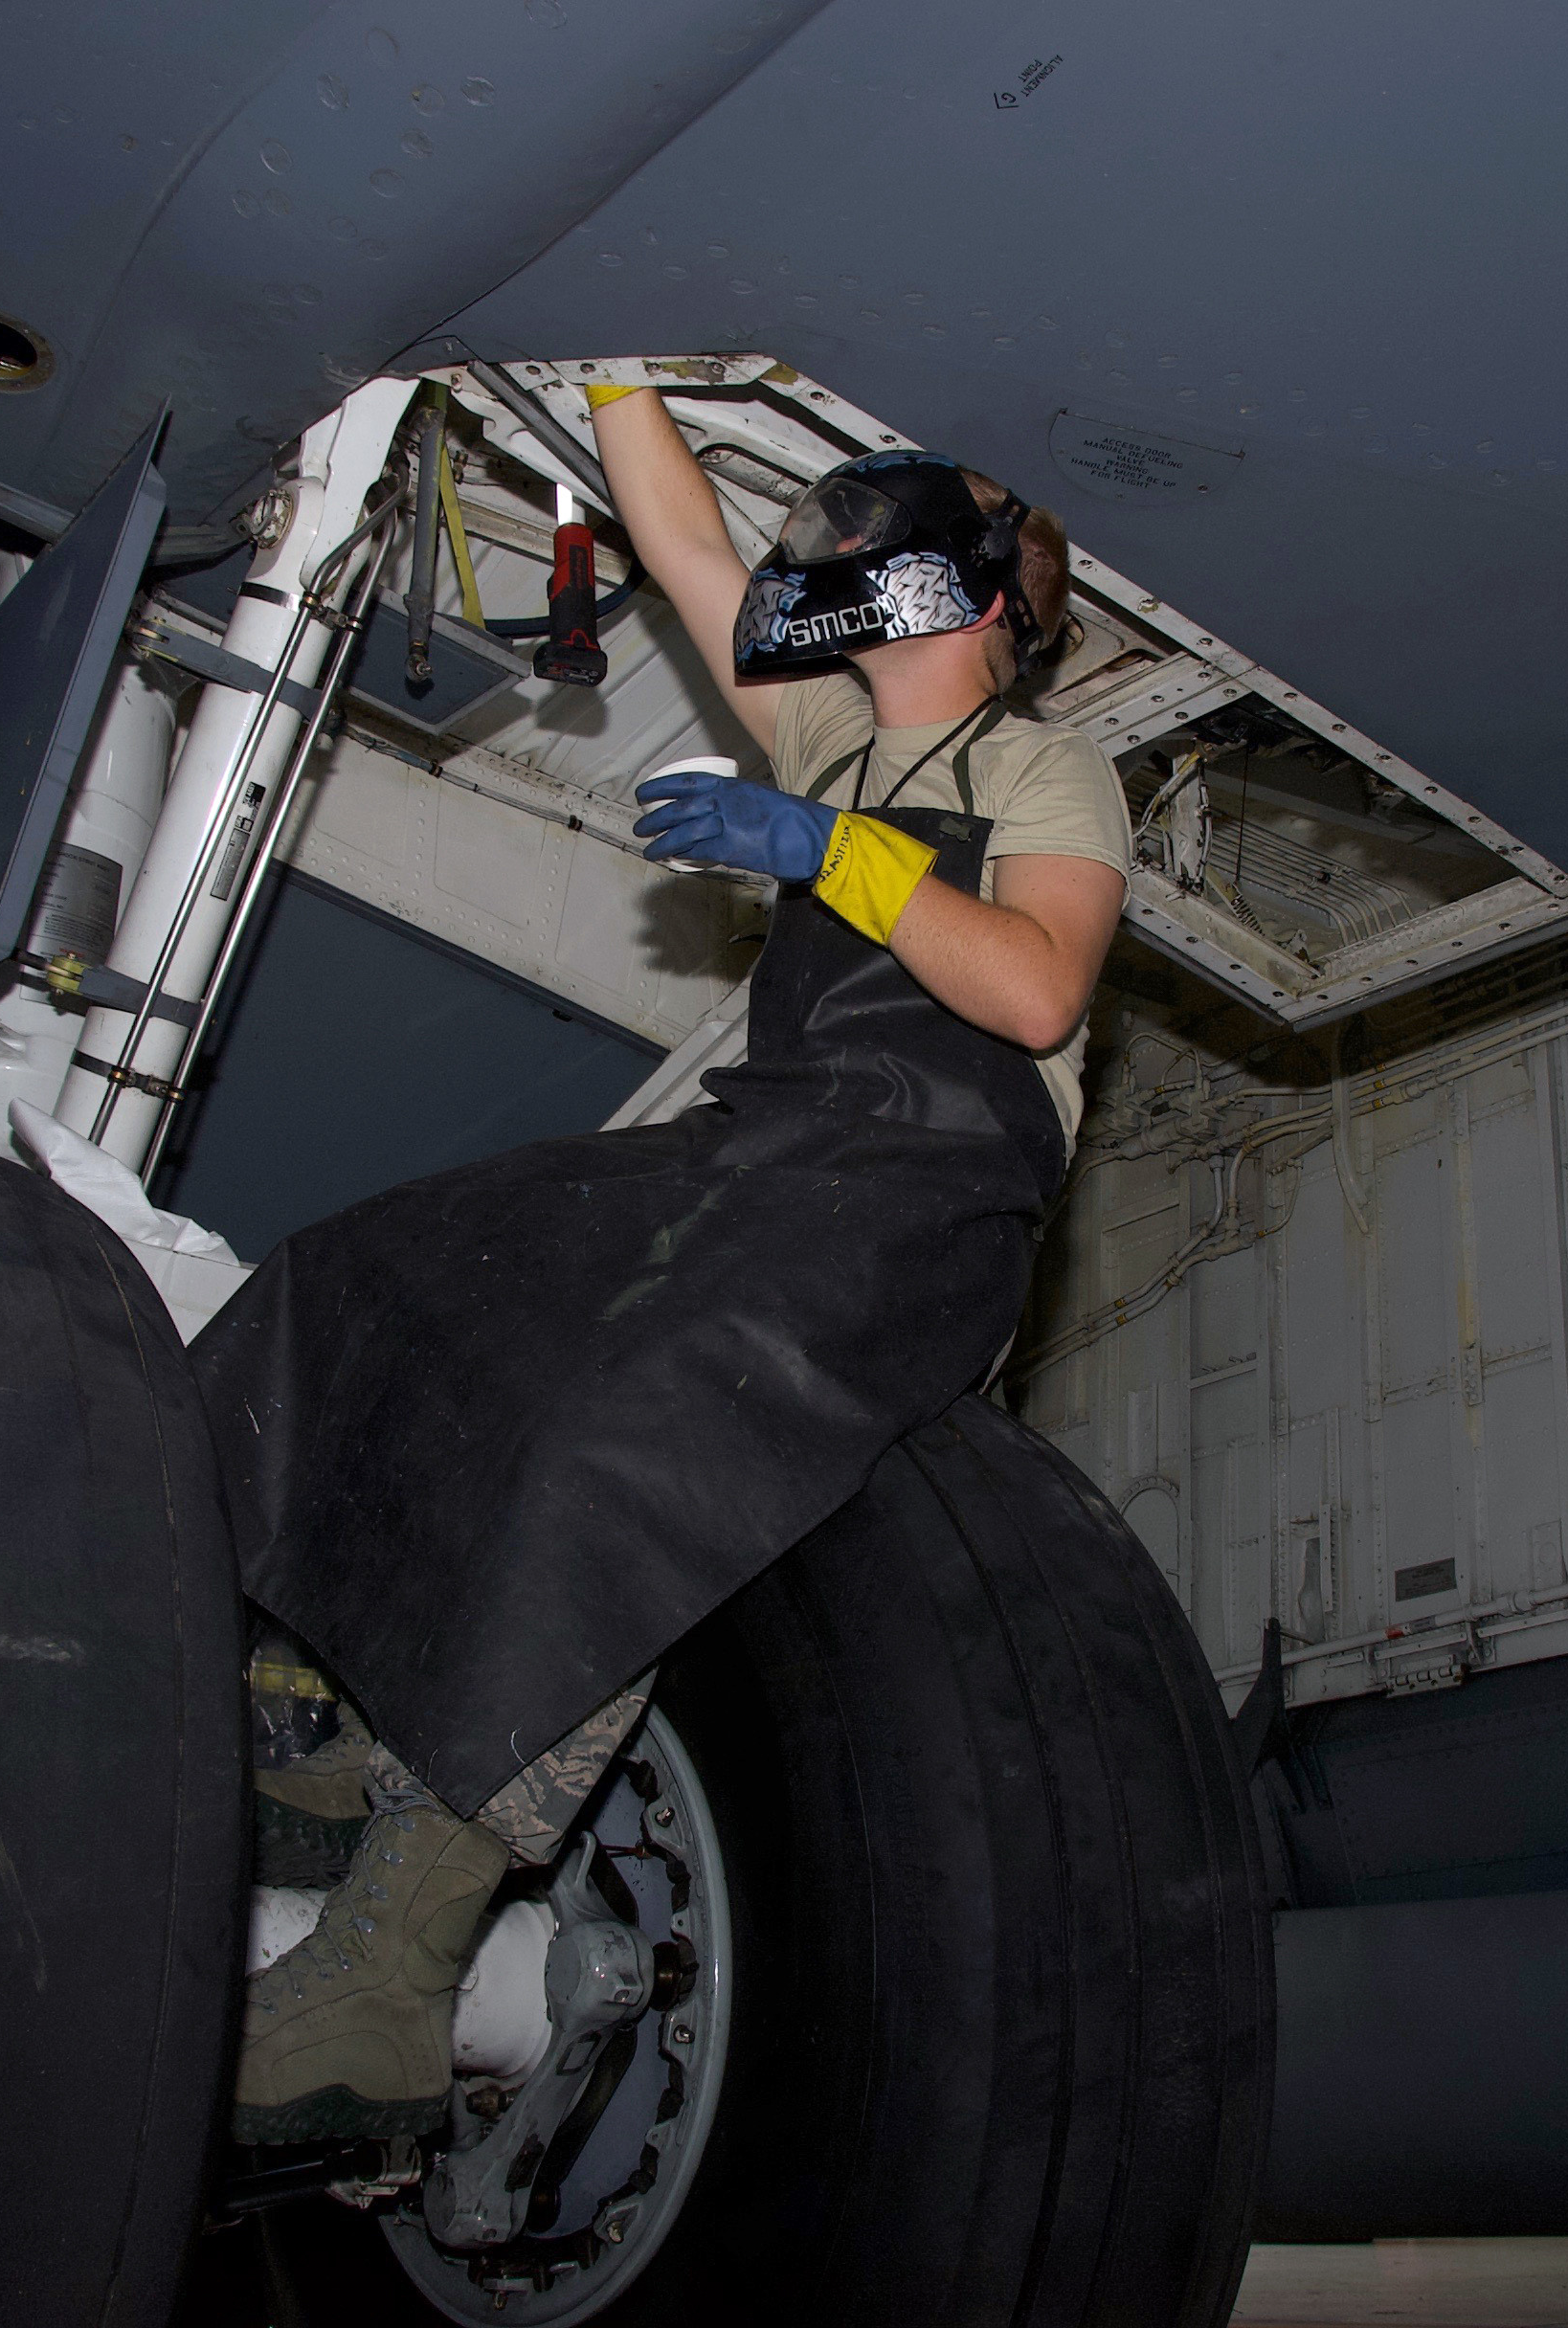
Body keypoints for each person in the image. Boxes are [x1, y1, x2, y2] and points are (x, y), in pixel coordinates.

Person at [194, 383, 1130, 2143]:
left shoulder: (1038, 768)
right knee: (402, 1268)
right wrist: (613, 380)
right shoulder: (827, 740)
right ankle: (328, 1678)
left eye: (879, 526)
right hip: (769, 1153)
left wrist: (826, 852)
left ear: (979, 589)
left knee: (625, 1435)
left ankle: (388, 1975)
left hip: (915, 1203)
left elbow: (1033, 991)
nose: (833, 547)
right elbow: (689, 548)